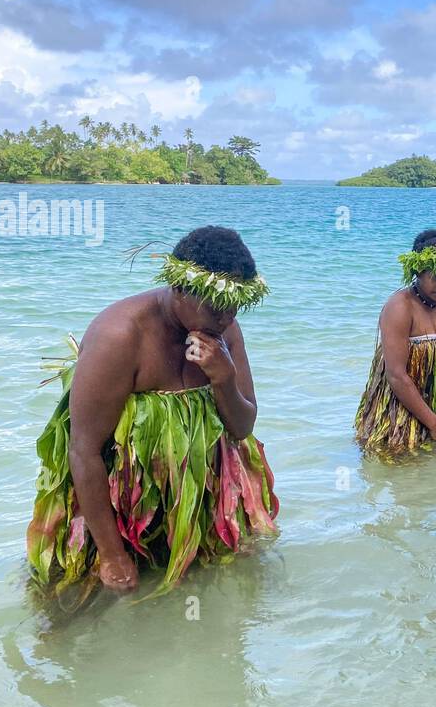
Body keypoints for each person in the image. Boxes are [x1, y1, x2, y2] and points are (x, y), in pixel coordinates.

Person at [27, 226, 278, 604]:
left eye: (234, 306)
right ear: (179, 286)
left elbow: (242, 428)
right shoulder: (121, 335)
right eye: (215, 305)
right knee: (75, 611)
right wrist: (111, 555)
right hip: (118, 512)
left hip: (197, 512)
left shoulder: (224, 330)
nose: (226, 317)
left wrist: (223, 377)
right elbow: (83, 451)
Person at [355, 229, 436, 456]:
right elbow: (396, 375)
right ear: (417, 272)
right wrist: (435, 426)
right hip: (401, 416)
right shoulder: (399, 308)